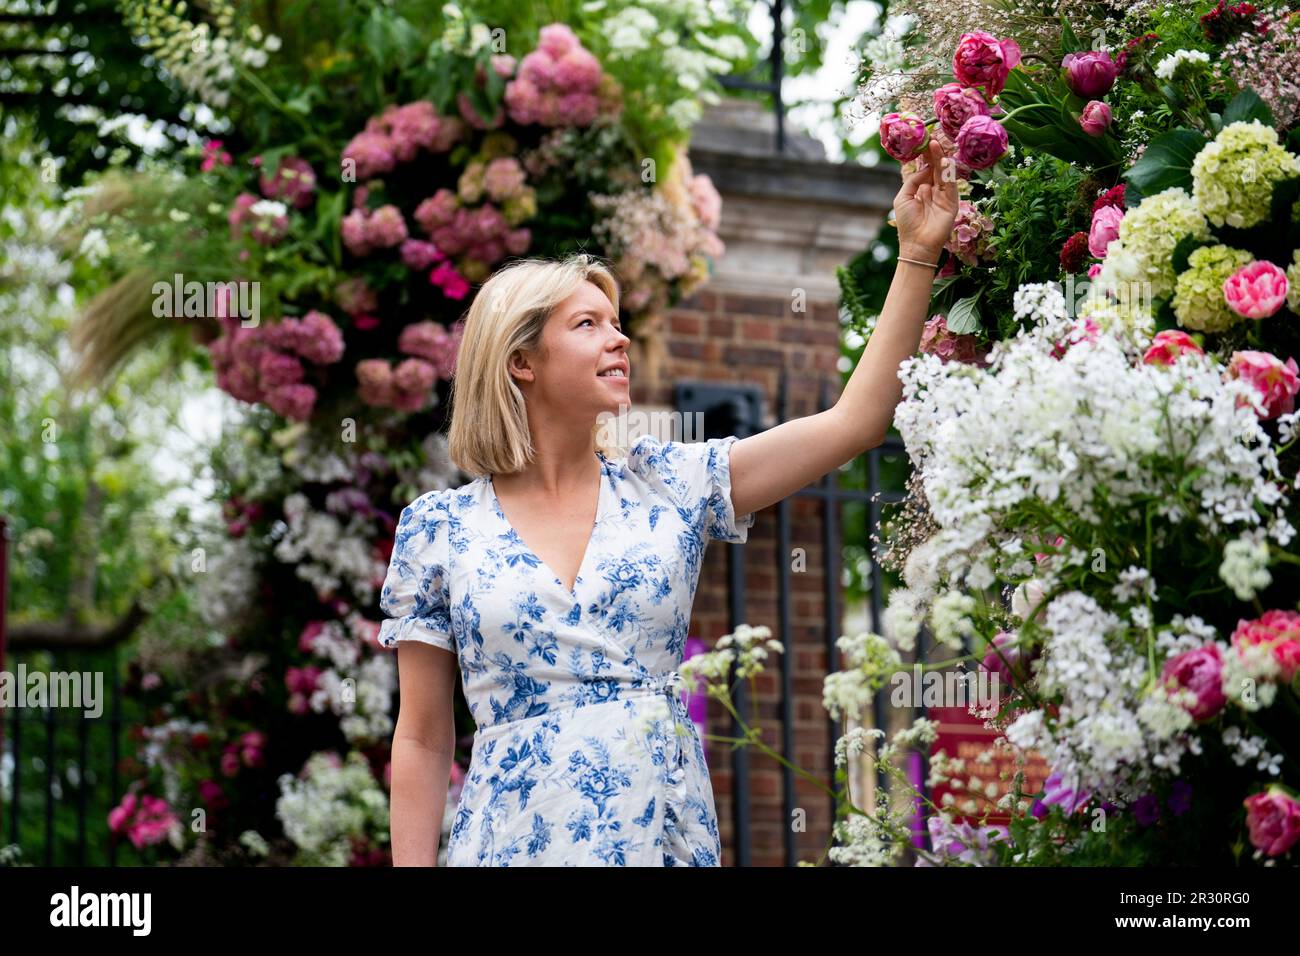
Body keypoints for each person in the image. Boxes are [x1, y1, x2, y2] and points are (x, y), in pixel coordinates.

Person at [380, 140, 959, 866]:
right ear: (520, 361)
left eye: (616, 322)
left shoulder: (671, 484)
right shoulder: (439, 530)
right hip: (507, 842)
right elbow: (425, 738)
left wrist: (916, 252)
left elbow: (854, 422)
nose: (619, 339)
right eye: (587, 324)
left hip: (659, 834)